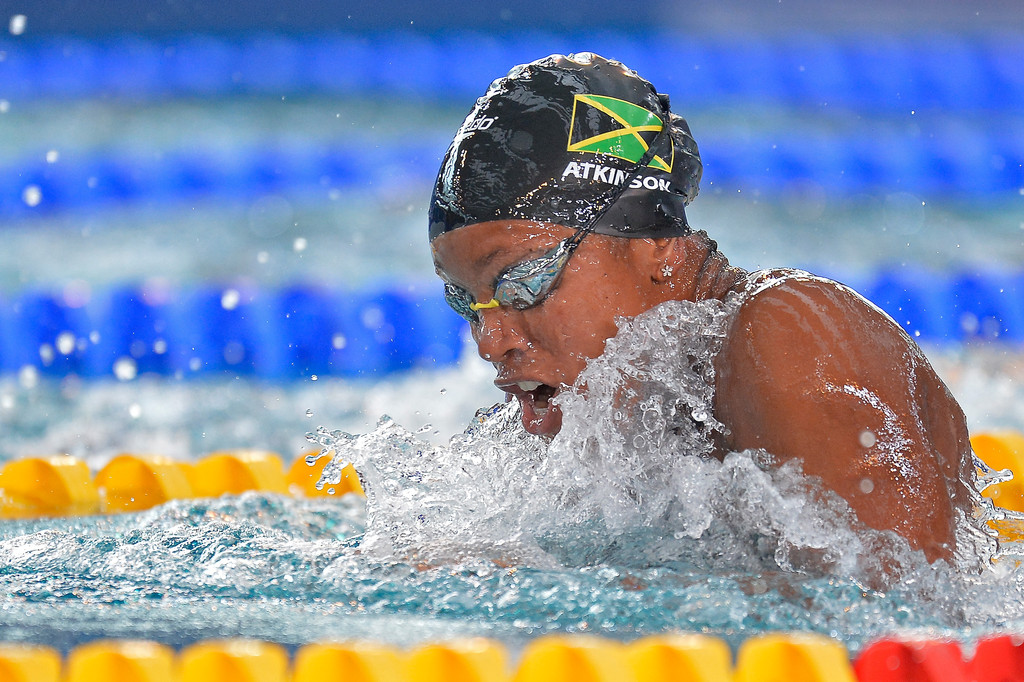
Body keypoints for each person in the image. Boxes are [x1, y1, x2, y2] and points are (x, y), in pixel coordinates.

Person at [427, 52, 973, 564]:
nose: (489, 340)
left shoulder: (789, 334)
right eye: (465, 301)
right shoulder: (625, 413)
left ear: (655, 245)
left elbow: (897, 623)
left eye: (523, 281)